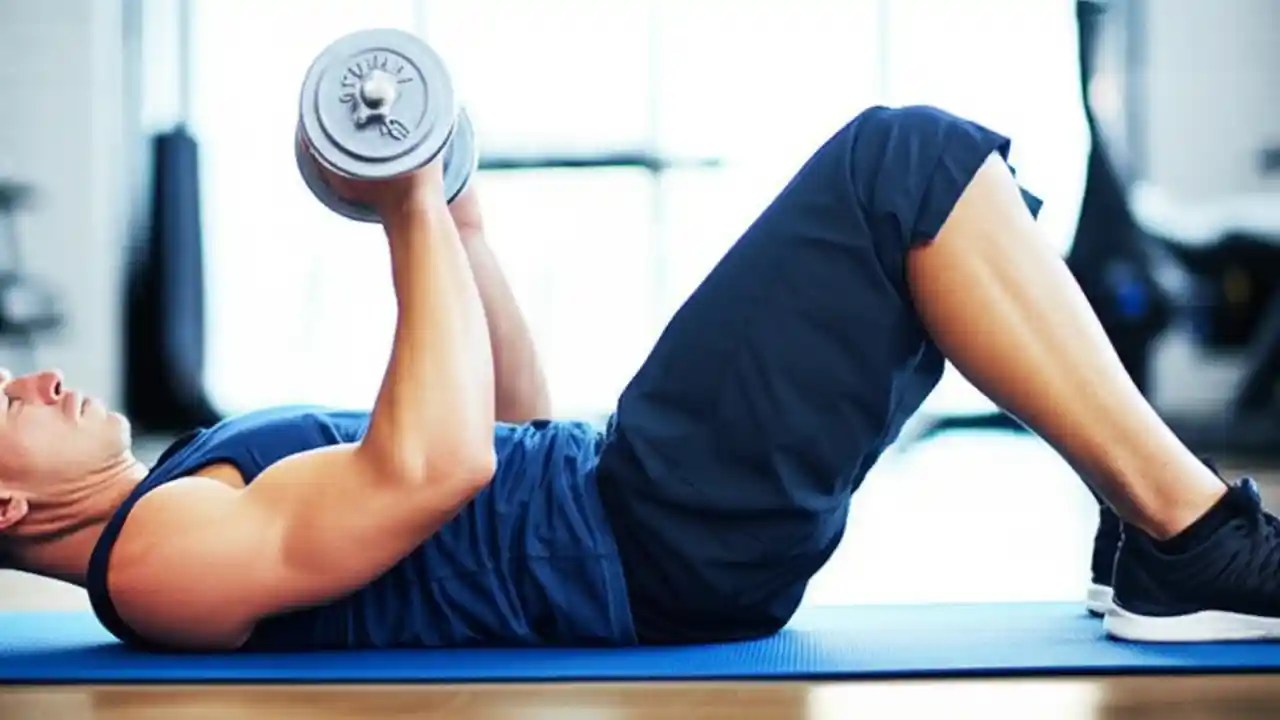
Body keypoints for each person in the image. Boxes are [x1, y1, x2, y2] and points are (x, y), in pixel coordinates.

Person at [0, 105, 1274, 652]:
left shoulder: (177, 493)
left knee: (931, 218)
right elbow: (436, 466)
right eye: (6, 405)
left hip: (621, 497)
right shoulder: (155, 559)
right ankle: (1184, 540)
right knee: (901, 168)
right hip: (644, 539)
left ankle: (1143, 525)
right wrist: (403, 219)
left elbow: (505, 431)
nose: (40, 382)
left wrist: (461, 224)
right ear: (5, 510)